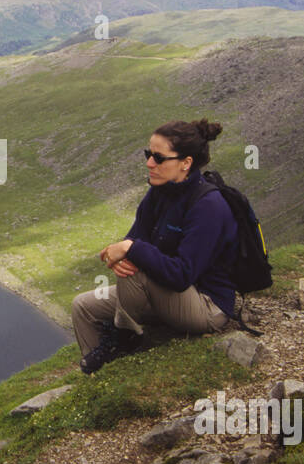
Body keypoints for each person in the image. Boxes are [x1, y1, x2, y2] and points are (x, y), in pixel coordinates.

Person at [71, 119, 239, 374]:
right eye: (149, 154)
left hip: (206, 305)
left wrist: (130, 250)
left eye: (159, 158)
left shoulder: (208, 206)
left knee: (136, 258)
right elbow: (134, 238)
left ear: (186, 163)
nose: (149, 163)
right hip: (165, 292)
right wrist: (119, 254)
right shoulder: (158, 193)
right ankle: (101, 379)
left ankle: (124, 337)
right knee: (82, 306)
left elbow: (183, 274)